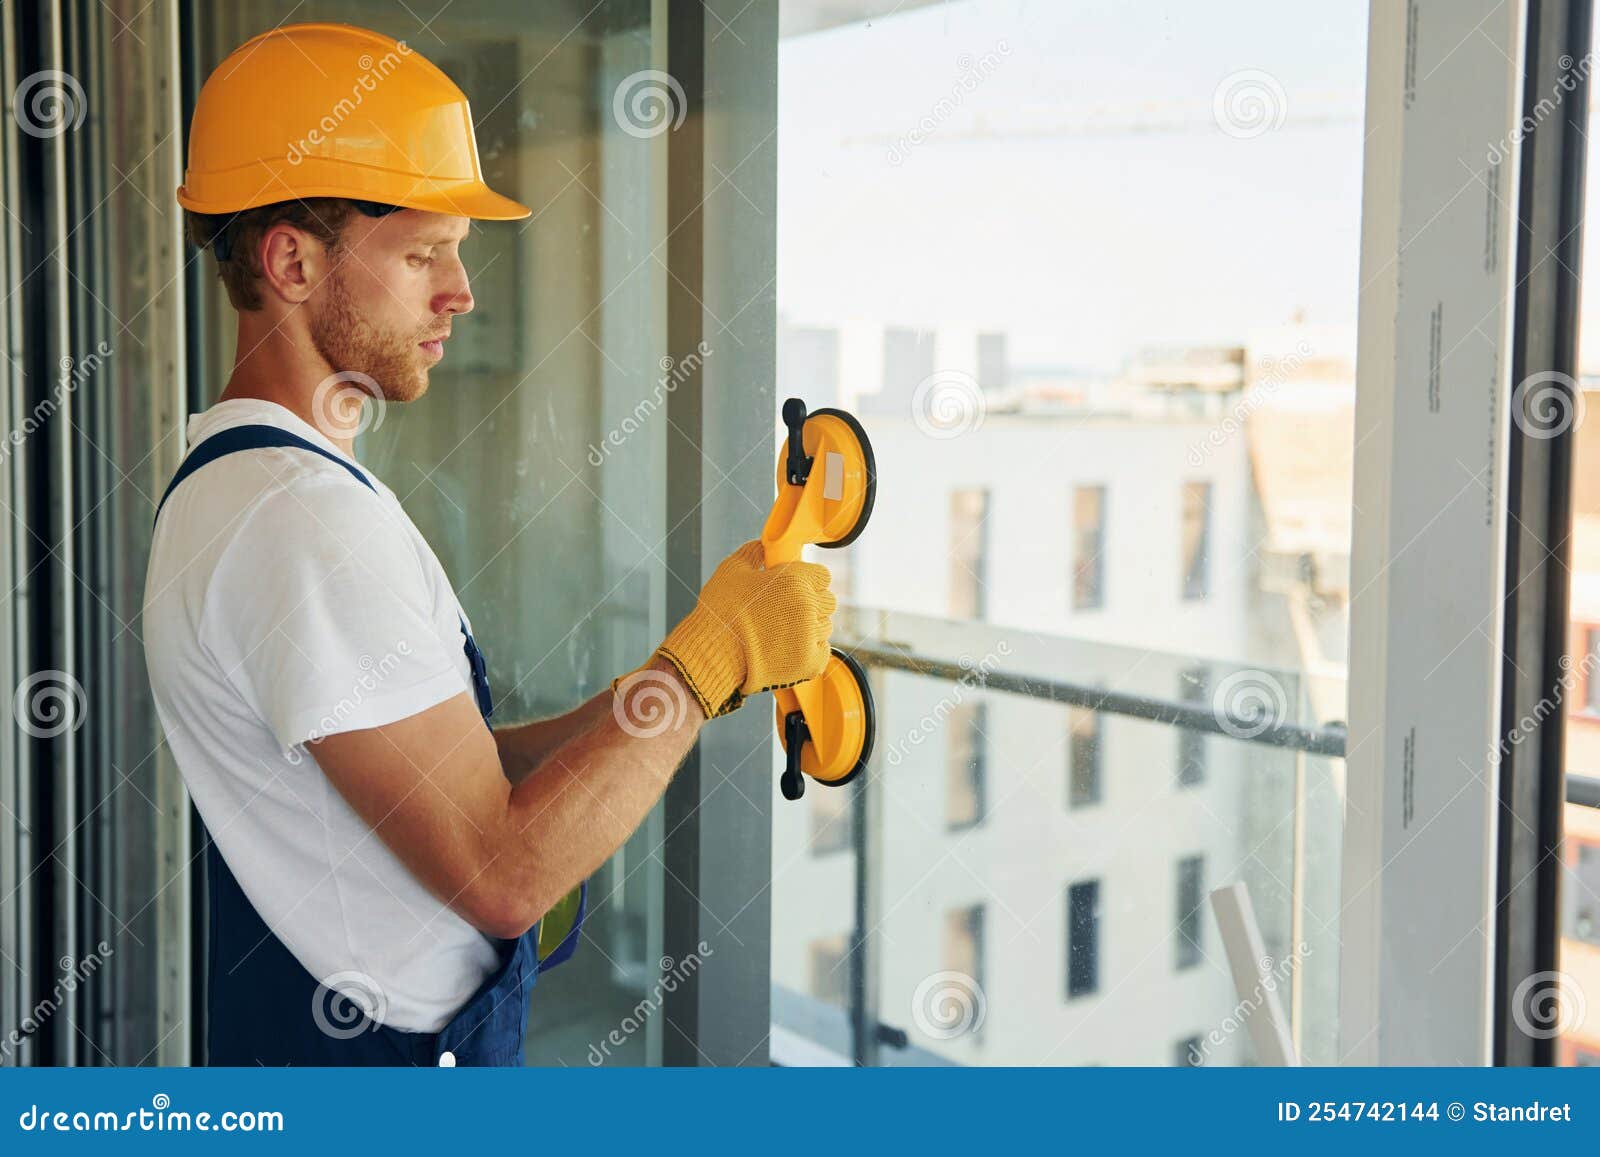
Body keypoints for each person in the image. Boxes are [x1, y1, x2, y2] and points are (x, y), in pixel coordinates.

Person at [142, 21, 835, 1067]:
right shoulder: (297, 521)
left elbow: (449, 773)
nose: (461, 290)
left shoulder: (254, 483)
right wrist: (705, 663)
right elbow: (502, 867)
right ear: (291, 258)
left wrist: (659, 690)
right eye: (424, 252)